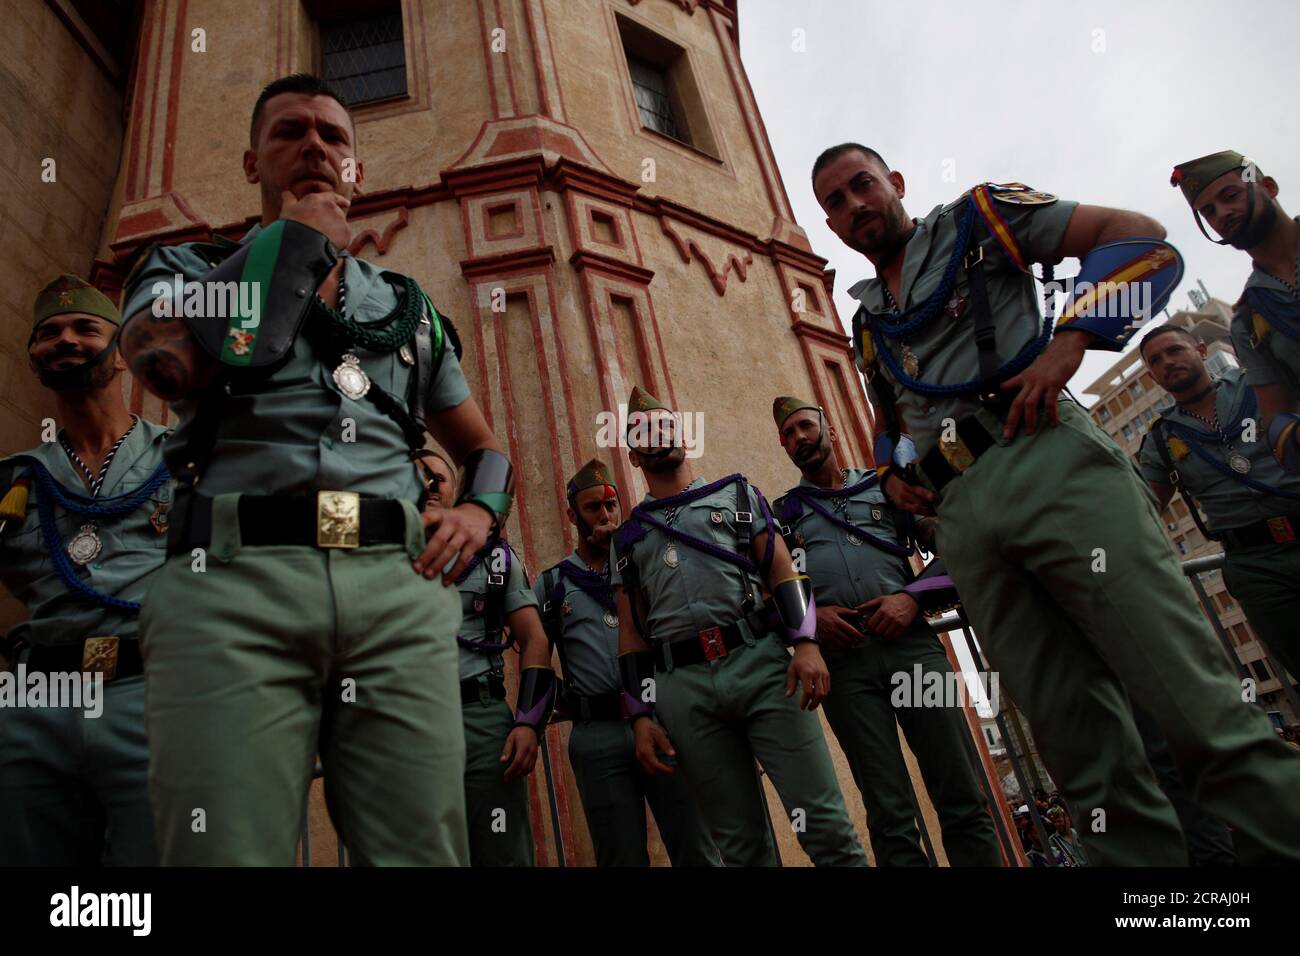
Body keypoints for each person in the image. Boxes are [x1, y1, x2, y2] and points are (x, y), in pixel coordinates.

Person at [813, 141, 1300, 865]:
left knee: (1197, 711)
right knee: (1084, 762)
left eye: (862, 186)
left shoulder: (979, 218)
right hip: (964, 516)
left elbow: (1142, 242)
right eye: (835, 203)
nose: (854, 207)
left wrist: (1070, 343)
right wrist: (889, 478)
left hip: (1047, 455)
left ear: (896, 183)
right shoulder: (863, 322)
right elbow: (889, 425)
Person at [117, 74, 512, 865]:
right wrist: (290, 244)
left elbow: (484, 448)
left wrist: (479, 514)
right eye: (290, 133)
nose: (315, 148)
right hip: (233, 585)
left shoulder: (409, 308)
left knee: (421, 853)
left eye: (335, 138)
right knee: (222, 849)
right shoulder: (184, 269)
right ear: (250, 162)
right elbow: (165, 363)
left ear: (356, 168)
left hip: (397, 595)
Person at [611, 386, 867, 866]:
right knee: (741, 849)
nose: (658, 433)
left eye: (666, 423)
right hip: (683, 689)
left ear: (683, 435)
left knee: (826, 828)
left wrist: (807, 645)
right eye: (644, 430)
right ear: (632, 453)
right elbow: (630, 633)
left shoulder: (737, 494)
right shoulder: (628, 536)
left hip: (762, 667)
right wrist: (641, 715)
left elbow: (782, 571)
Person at [771, 396, 1001, 866]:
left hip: (912, 646)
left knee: (960, 791)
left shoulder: (888, 488)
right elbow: (768, 592)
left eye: (804, 427)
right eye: (788, 435)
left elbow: (956, 546)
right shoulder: (783, 516)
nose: (799, 439)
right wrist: (812, 622)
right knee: (888, 809)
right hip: (845, 668)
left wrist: (911, 598)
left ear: (828, 428)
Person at [0, 275, 173, 866]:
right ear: (33, 358)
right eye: (48, 333)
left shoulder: (187, 460)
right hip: (35, 700)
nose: (64, 340)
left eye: (84, 328)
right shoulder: (12, 481)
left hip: (150, 693)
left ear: (123, 352)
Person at [536, 458, 719, 866]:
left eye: (611, 506)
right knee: (620, 856)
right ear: (572, 516)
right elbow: (535, 654)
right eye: (592, 508)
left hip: (662, 720)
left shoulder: (647, 565)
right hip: (597, 733)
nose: (605, 515)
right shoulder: (553, 585)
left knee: (697, 847)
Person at [1137, 324, 1300, 685]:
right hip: (1256, 565)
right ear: (1152, 376)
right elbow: (1142, 509)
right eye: (1156, 360)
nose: (1168, 362)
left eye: (1175, 350)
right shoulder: (1161, 438)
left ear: (1200, 350)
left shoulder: (1259, 386)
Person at [430, 463, 552, 867]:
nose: (428, 483)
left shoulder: (494, 561)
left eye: (438, 477)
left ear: (456, 493)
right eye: (416, 474)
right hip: (409, 723)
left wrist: (527, 722)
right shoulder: (381, 558)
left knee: (501, 851)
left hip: (481, 722)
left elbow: (535, 638)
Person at [1168, 151, 1300, 472]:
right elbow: (1275, 419)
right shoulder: (1248, 320)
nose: (1224, 214)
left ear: (1268, 186)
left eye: (1230, 196)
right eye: (1209, 212)